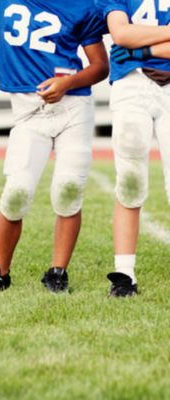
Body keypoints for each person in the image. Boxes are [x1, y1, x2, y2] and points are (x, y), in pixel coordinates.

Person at [0, 0, 109, 293]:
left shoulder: (80, 6)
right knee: (16, 192)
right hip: (27, 111)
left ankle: (58, 272)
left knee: (68, 189)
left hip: (73, 107)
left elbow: (100, 66)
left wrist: (68, 83)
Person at [97, 0, 170, 296]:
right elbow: (121, 35)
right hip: (132, 84)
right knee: (129, 178)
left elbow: (130, 41)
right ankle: (124, 274)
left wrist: (141, 50)